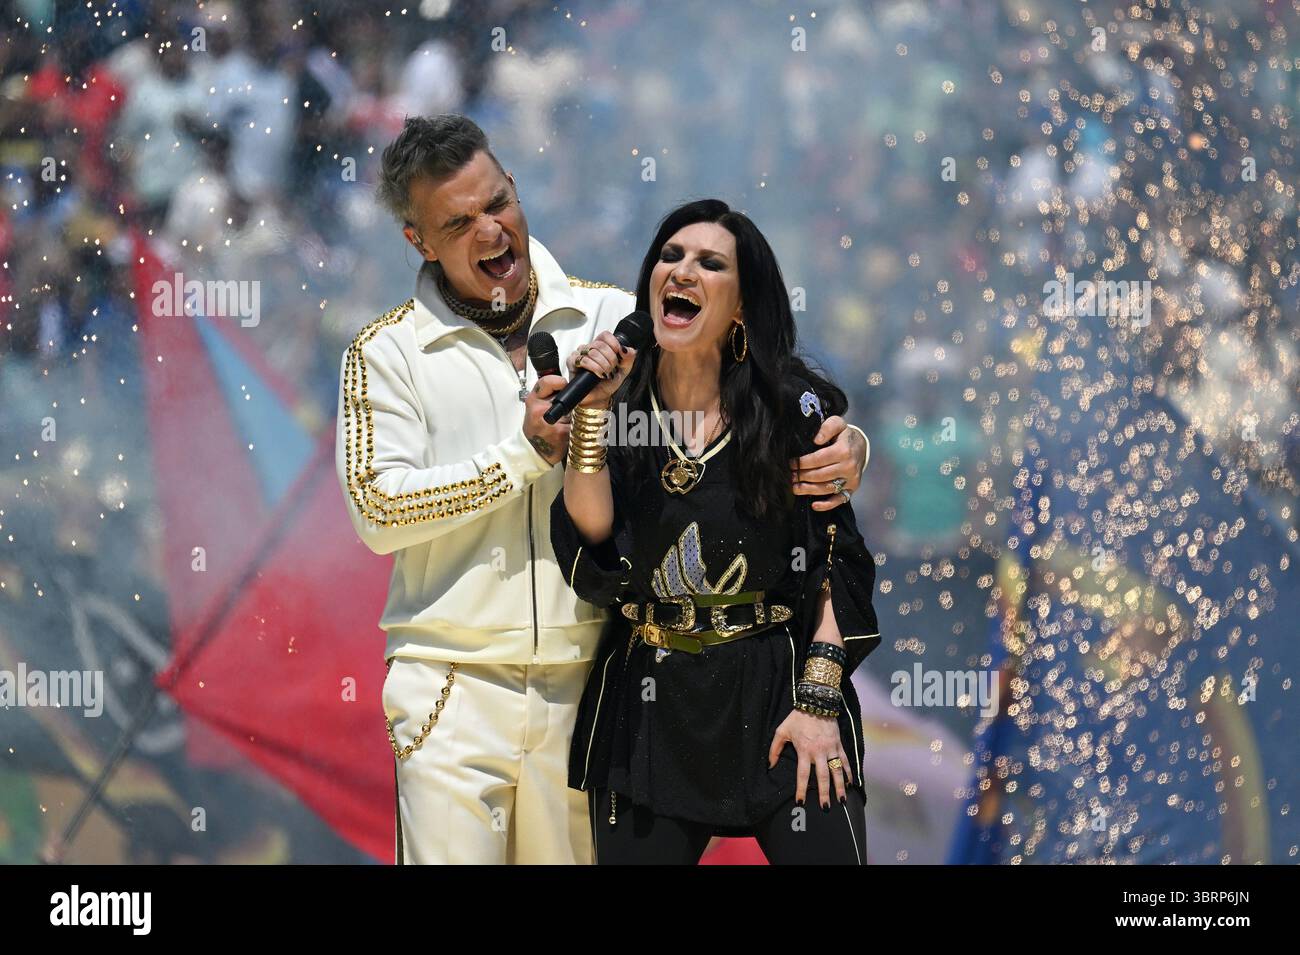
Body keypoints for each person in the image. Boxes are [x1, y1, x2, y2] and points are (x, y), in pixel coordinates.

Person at [335, 115, 873, 864]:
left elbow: (744, 398)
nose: (491, 231)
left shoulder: (612, 314)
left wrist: (847, 446)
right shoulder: (385, 350)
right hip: (452, 684)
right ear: (418, 240)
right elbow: (378, 509)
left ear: (516, 189)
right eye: (458, 222)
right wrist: (522, 453)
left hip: (589, 678)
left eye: (498, 204)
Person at [552, 199, 881, 864]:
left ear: (740, 306)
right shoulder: (619, 402)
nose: (683, 270)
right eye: (670, 257)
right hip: (652, 700)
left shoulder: (788, 404)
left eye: (710, 262)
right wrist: (590, 413)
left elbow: (834, 563)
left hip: (778, 689)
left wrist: (817, 703)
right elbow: (593, 532)